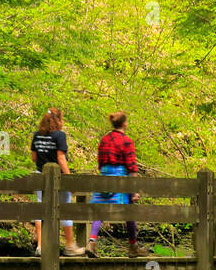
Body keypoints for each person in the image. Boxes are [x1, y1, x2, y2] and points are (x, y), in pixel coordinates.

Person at [87, 111, 141, 258]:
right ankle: (133, 245)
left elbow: (100, 161)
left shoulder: (104, 139)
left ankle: (91, 242)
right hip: (120, 177)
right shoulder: (126, 141)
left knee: (100, 210)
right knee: (130, 210)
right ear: (124, 123)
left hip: (104, 176)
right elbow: (132, 166)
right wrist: (134, 189)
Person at [30, 108, 83, 256]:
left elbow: (34, 158)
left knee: (41, 210)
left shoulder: (36, 135)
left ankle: (40, 245)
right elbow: (61, 158)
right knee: (65, 209)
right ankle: (70, 246)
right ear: (59, 120)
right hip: (58, 178)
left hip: (40, 176)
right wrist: (70, 180)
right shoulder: (59, 135)